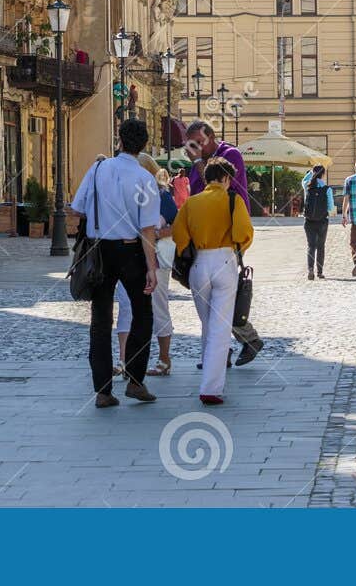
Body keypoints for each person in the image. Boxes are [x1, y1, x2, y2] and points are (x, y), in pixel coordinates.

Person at [69, 119, 162, 408]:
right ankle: (135, 380)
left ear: (118, 139)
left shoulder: (98, 169)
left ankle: (103, 391)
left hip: (99, 251)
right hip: (131, 250)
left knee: (100, 320)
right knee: (142, 314)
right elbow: (148, 228)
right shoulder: (146, 178)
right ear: (144, 146)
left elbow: (77, 208)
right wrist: (151, 266)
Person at [171, 157, 254, 405]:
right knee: (220, 326)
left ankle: (207, 372)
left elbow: (178, 235)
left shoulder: (192, 202)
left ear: (207, 178)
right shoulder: (232, 200)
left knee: (207, 323)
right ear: (226, 178)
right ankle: (210, 387)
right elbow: (243, 233)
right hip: (224, 262)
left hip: (198, 263)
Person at [182, 120, 265, 364]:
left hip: (228, 235)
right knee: (207, 298)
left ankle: (240, 342)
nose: (194, 147)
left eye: (198, 142)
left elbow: (218, 189)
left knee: (223, 296)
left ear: (211, 137)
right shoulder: (197, 163)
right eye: (191, 144)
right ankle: (224, 348)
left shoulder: (230, 155)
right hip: (203, 237)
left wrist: (198, 162)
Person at [116, 155, 179, 377]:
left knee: (158, 306)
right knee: (125, 308)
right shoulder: (125, 194)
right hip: (129, 258)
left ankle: (164, 359)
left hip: (156, 258)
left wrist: (155, 234)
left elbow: (177, 225)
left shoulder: (162, 196)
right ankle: (124, 360)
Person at [301, 164, 333, 279]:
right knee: (321, 246)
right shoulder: (327, 189)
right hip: (323, 221)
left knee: (311, 245)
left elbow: (303, 180)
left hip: (309, 220)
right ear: (323, 174)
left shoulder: (307, 185)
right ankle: (319, 272)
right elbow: (330, 207)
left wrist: (311, 172)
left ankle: (310, 269)